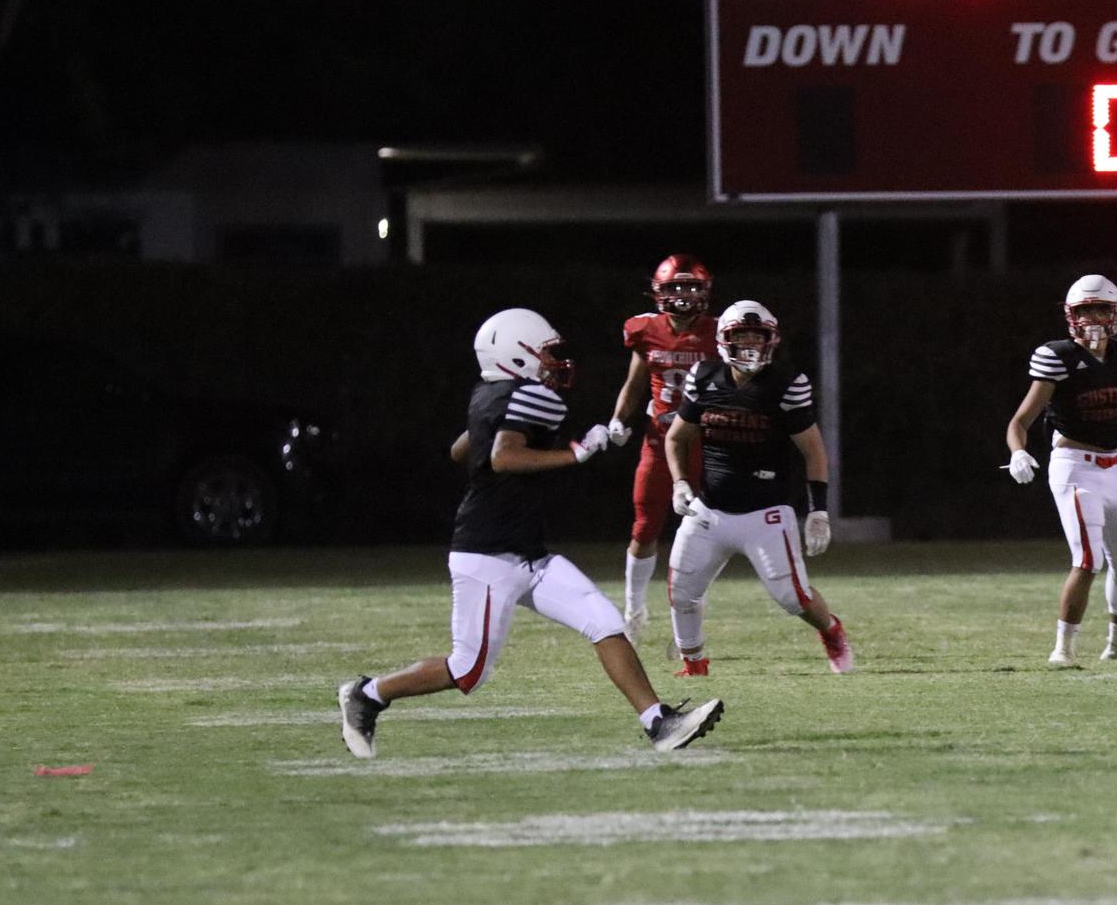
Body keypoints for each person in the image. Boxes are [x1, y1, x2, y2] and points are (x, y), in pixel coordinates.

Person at [337, 308, 723, 760]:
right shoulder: (531, 397)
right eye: (544, 355)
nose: (552, 364)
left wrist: (494, 435)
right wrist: (576, 453)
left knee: (604, 621)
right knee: (468, 670)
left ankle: (658, 722)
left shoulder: (489, 393)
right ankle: (367, 693)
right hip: (488, 554)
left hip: (528, 551)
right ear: (514, 357)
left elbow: (461, 449)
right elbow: (502, 457)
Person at [663, 299, 853, 676]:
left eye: (757, 337)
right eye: (742, 337)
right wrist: (680, 483)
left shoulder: (786, 385)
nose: (750, 345)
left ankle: (832, 631)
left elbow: (813, 452)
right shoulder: (703, 377)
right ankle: (694, 664)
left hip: (764, 514)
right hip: (709, 510)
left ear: (772, 341)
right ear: (723, 341)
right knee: (681, 593)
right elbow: (674, 439)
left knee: (793, 598)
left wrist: (817, 510)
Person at [1002, 276, 1117, 666]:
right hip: (1074, 466)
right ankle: (1064, 647)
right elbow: (1019, 421)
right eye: (1085, 310)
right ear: (1070, 316)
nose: (1093, 318)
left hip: (1113, 467)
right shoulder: (1057, 356)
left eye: (1101, 309)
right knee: (1088, 559)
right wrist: (1018, 453)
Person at [608, 254, 718, 648]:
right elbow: (636, 383)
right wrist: (619, 418)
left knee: (708, 532)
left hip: (709, 444)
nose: (684, 295)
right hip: (659, 441)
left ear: (705, 292)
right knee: (644, 525)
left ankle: (688, 616)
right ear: (659, 292)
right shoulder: (645, 330)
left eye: (691, 287)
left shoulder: (720, 333)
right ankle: (634, 611)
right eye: (675, 287)